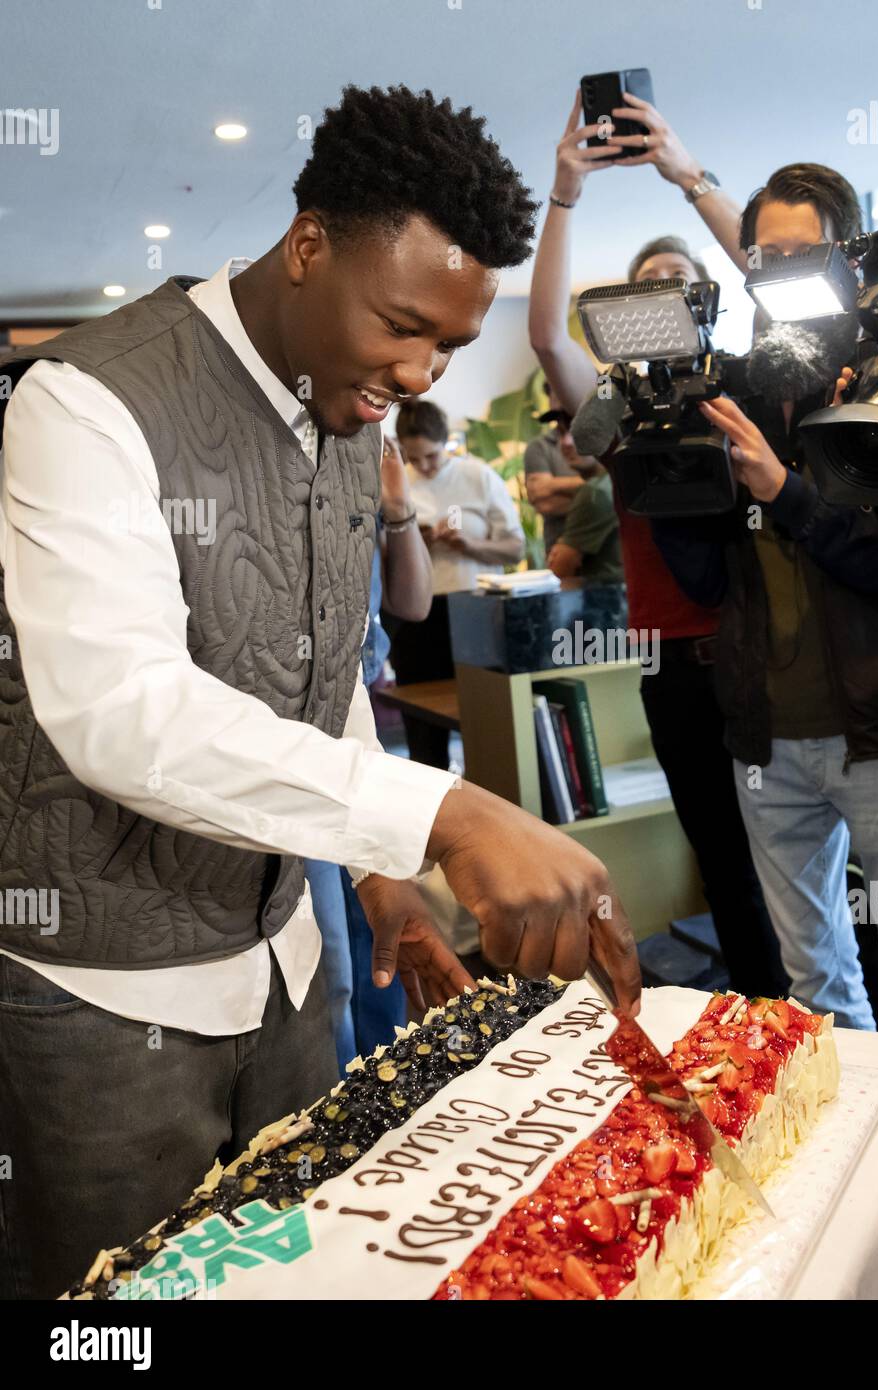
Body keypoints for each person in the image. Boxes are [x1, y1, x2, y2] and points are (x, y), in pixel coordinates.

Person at [0, 82, 639, 1301]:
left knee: (299, 1271)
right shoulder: (84, 399)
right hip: (104, 989)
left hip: (296, 960)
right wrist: (448, 817)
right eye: (402, 324)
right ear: (305, 250)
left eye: (449, 346)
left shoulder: (356, 413)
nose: (417, 367)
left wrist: (381, 875)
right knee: (118, 1307)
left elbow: (321, 664)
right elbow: (119, 709)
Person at [644, 160, 878, 1146]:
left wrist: (781, 486)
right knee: (819, 1007)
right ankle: (870, 1216)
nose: (776, 270)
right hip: (765, 737)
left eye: (798, 253)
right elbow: (699, 580)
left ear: (845, 258)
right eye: (761, 255)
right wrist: (662, 473)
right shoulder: (736, 383)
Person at [528, 92, 789, 999]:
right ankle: (767, 1036)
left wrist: (687, 177)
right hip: (676, 668)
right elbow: (541, 333)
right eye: (651, 289)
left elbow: (776, 283)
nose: (670, 297)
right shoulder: (616, 420)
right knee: (726, 868)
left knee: (804, 868)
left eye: (686, 283)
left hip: (772, 656)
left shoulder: (750, 394)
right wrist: (563, 194)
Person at [305, 434, 431, 1069]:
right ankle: (343, 1112)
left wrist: (397, 504)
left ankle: (385, 1083)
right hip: (297, 746)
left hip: (363, 732)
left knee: (378, 931)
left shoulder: (363, 456)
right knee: (331, 966)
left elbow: (413, 603)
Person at [387, 397, 524, 769]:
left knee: (486, 718)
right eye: (413, 459)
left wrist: (471, 545)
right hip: (419, 617)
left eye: (431, 455)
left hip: (477, 610)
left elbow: (515, 548)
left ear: (446, 441)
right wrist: (417, 540)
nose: (424, 466)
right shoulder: (397, 485)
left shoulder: (477, 476)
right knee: (423, 730)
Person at [544, 424, 624, 585]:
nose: (566, 442)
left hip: (604, 603)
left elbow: (560, 568)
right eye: (561, 433)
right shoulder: (613, 482)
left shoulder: (596, 492)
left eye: (578, 430)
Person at [524, 386, 584, 554]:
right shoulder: (539, 446)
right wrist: (595, 492)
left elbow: (613, 490)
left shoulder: (601, 438)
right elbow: (544, 501)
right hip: (559, 550)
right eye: (554, 395)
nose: (566, 443)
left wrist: (554, 485)